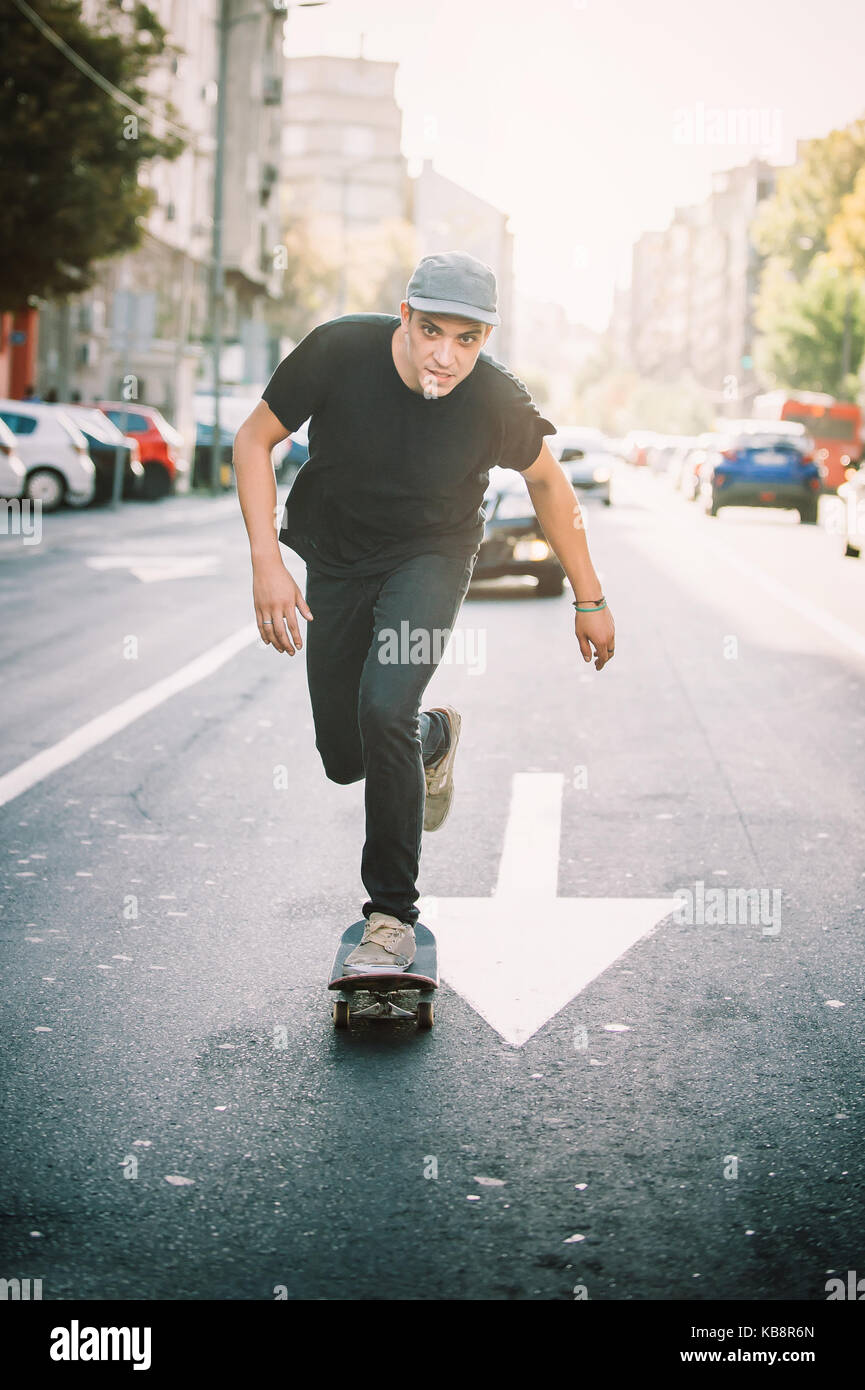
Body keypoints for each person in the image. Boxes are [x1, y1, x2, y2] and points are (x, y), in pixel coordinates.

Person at [234, 251, 615, 973]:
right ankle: (431, 736)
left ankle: (389, 917)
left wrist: (588, 597)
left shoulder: (495, 401)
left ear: (484, 340)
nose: (446, 357)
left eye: (467, 340)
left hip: (430, 558)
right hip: (337, 555)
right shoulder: (339, 350)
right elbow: (254, 438)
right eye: (432, 331)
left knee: (383, 707)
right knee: (344, 758)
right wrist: (265, 561)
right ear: (404, 317)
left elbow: (549, 486)